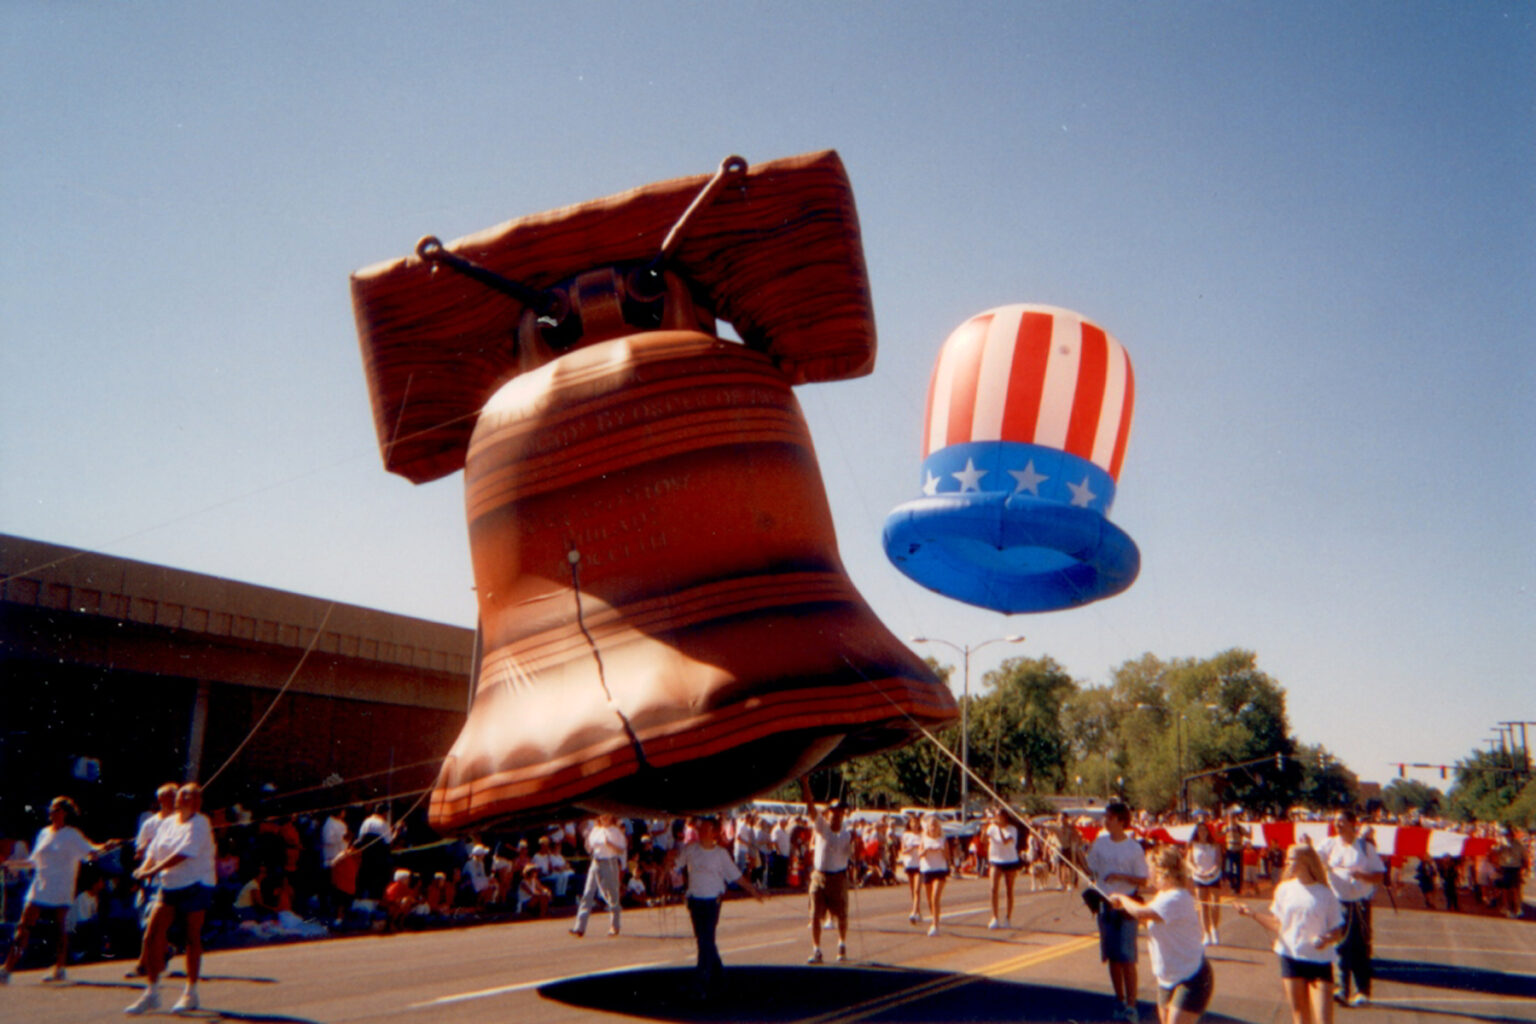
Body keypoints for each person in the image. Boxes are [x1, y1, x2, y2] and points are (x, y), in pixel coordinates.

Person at [126, 782, 217, 1015]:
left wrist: (151, 871)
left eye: (194, 797)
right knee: (151, 935)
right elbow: (153, 852)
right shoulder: (166, 823)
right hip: (170, 884)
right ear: (177, 800)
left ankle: (191, 992)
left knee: (191, 937)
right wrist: (145, 867)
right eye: (185, 796)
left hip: (197, 883)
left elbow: (184, 853)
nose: (190, 800)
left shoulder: (201, 823)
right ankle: (152, 992)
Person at [1, 796, 110, 985]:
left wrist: (105, 847)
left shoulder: (72, 834)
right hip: (40, 886)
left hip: (61, 887)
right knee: (23, 927)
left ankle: (60, 968)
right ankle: (7, 968)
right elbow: (33, 861)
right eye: (51, 809)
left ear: (65, 813)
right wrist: (12, 864)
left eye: (56, 810)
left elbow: (91, 852)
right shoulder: (44, 833)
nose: (52, 813)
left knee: (59, 930)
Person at [1234, 844, 1345, 1024]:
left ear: (1306, 861)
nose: (1287, 862)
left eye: (1291, 858)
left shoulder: (1326, 893)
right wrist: (1252, 914)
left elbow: (1338, 930)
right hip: (1291, 958)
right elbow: (1278, 925)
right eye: (1287, 858)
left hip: (1320, 961)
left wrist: (1328, 938)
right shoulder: (1284, 889)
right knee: (1300, 1017)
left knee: (1324, 1020)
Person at [1110, 846, 1214, 1024]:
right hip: (1167, 977)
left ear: (1162, 871)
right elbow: (1150, 920)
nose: (1147, 872)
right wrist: (1127, 908)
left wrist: (1123, 899)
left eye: (1149, 868)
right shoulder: (1163, 896)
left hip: (1191, 977)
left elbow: (1143, 913)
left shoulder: (1176, 897)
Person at [667, 816, 763, 1001]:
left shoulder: (720, 854)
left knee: (705, 941)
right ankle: (720, 978)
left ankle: (700, 984)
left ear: (715, 833)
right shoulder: (691, 849)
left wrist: (753, 891)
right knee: (704, 940)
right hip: (695, 900)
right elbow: (676, 866)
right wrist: (669, 859)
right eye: (701, 828)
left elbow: (736, 876)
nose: (702, 830)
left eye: (706, 828)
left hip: (712, 902)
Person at [1086, 801, 1149, 1023]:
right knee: (1112, 956)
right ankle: (1119, 1000)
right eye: (1105, 816)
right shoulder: (1100, 843)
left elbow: (1143, 878)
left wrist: (1119, 876)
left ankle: (1132, 1005)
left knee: (1127, 957)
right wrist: (1077, 848)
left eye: (1110, 817)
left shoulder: (1134, 847)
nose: (1105, 820)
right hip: (1105, 905)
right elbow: (1089, 867)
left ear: (1121, 821)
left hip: (1127, 906)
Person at [1315, 809, 1384, 1007]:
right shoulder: (1329, 844)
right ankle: (1342, 990)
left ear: (1353, 824)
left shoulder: (1365, 847)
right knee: (1340, 945)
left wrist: (1362, 876)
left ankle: (1362, 991)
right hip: (1337, 902)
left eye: (1341, 821)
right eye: (1335, 821)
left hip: (1359, 904)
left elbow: (1379, 875)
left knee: (1360, 946)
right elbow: (1314, 858)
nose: (1337, 824)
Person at [125, 783, 178, 978]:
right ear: (159, 800)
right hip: (148, 878)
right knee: (145, 919)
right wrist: (141, 853)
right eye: (165, 797)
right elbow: (140, 849)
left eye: (173, 797)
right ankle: (164, 950)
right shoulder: (150, 823)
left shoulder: (180, 822)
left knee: (153, 922)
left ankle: (143, 964)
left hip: (168, 878)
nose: (169, 801)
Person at [800, 778, 853, 963]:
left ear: (843, 815)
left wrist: (854, 854)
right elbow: (811, 807)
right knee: (815, 915)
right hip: (819, 876)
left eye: (839, 812)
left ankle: (842, 944)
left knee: (841, 915)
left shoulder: (847, 835)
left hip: (838, 878)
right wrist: (806, 783)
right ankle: (816, 950)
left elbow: (851, 855)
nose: (836, 815)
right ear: (828, 813)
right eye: (833, 812)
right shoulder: (822, 827)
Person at [571, 812, 626, 937]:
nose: (604, 818)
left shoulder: (615, 831)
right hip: (596, 862)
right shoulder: (596, 830)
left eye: (606, 815)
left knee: (612, 894)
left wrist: (610, 844)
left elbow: (621, 849)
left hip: (609, 862)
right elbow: (589, 847)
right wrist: (588, 843)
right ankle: (579, 927)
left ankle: (614, 925)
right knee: (587, 893)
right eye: (602, 816)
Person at [984, 805, 1022, 930]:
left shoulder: (1012, 829)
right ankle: (994, 917)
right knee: (993, 888)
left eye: (999, 815)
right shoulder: (991, 827)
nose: (997, 817)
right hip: (995, 859)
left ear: (1005, 816)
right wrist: (985, 827)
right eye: (996, 815)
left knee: (1009, 889)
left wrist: (999, 828)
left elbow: (1005, 841)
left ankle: (1008, 918)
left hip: (1010, 860)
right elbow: (983, 840)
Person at [1186, 821, 1224, 945]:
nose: (1203, 832)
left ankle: (1214, 929)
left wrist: (1213, 870)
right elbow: (1188, 861)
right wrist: (1195, 870)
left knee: (1214, 904)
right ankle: (1206, 933)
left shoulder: (1214, 845)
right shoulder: (1193, 845)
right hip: (1199, 876)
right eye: (1200, 830)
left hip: (1213, 876)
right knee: (1203, 905)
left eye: (1205, 830)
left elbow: (1218, 861)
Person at [918, 814, 950, 936]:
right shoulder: (924, 839)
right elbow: (920, 853)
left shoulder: (943, 840)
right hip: (927, 869)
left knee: (935, 896)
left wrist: (941, 851)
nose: (933, 828)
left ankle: (935, 924)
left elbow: (948, 857)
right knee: (930, 898)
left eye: (935, 825)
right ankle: (934, 917)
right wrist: (926, 850)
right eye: (931, 825)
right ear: (928, 827)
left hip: (940, 869)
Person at [1491, 825, 1527, 919]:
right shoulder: (1501, 845)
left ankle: (1518, 909)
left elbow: (1524, 858)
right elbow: (1494, 855)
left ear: (1513, 835)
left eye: (1510, 834)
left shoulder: (1520, 845)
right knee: (1506, 890)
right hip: (1505, 868)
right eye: (1506, 835)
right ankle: (1508, 908)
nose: (1508, 836)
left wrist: (1524, 870)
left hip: (1516, 868)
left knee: (1516, 890)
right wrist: (1496, 865)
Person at [899, 814, 924, 924]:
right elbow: (903, 850)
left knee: (917, 889)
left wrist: (919, 849)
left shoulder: (923, 835)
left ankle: (913, 912)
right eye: (913, 823)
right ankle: (918, 911)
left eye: (917, 823)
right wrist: (911, 848)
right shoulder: (906, 835)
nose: (915, 825)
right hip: (909, 863)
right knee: (912, 890)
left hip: (919, 864)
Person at [1222, 810, 1248, 895]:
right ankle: (1232, 885)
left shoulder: (1240, 828)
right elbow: (1219, 835)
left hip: (1238, 850)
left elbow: (1249, 835)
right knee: (1228, 870)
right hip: (1229, 850)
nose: (1231, 819)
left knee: (1238, 870)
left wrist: (1245, 844)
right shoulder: (1226, 828)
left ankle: (1238, 887)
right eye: (1229, 818)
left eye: (1232, 817)